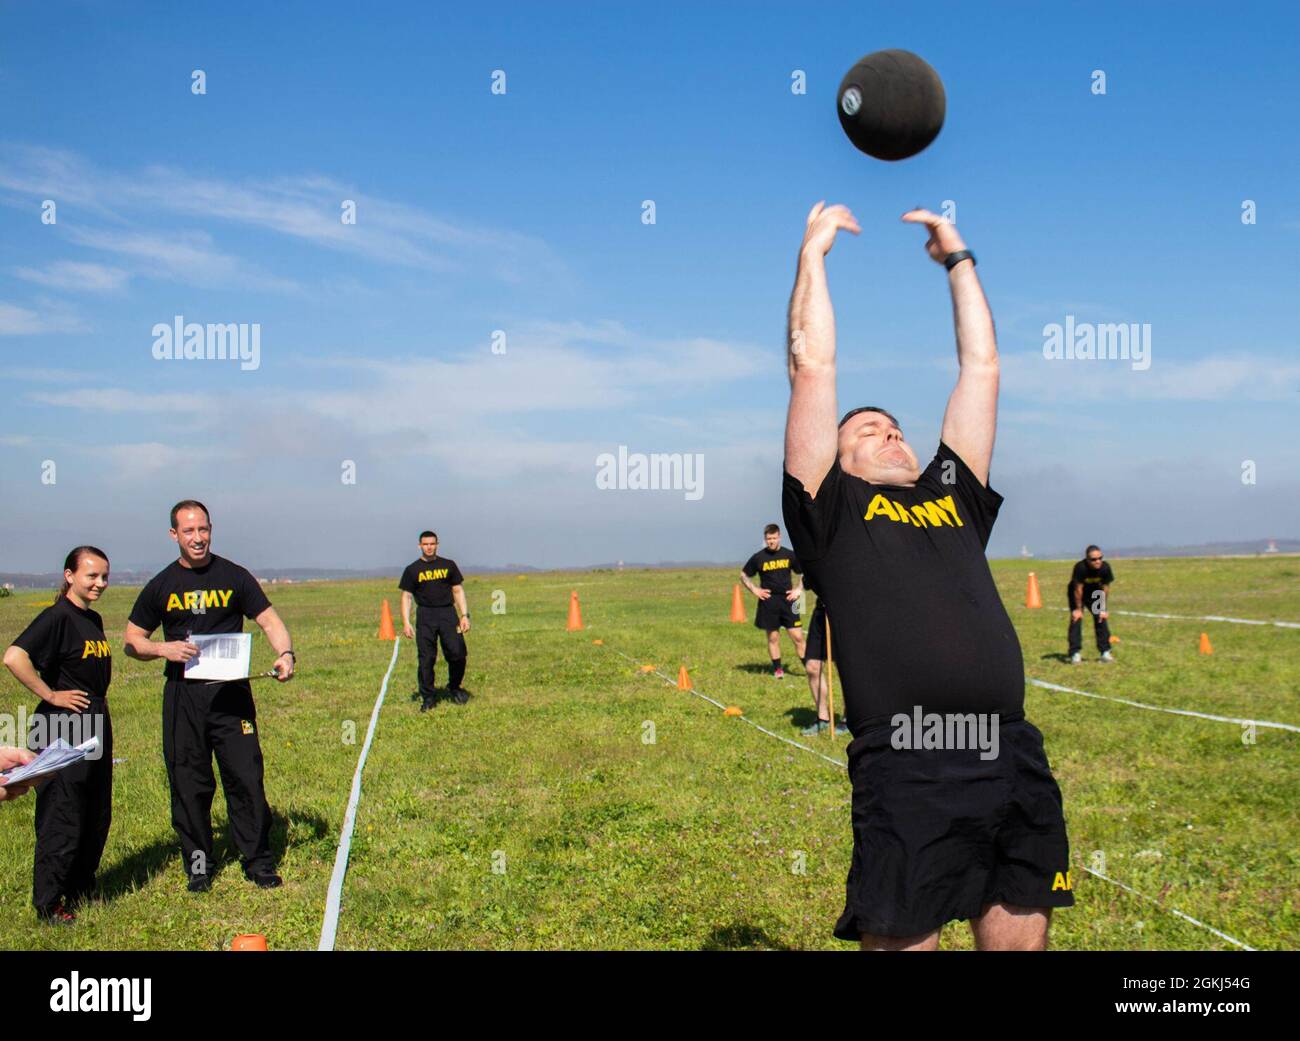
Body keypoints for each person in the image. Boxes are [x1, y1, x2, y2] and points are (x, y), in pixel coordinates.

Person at [781, 201, 1073, 950]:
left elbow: (983, 368)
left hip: (1009, 748)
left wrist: (959, 261)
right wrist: (812, 257)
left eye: (896, 427)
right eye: (866, 430)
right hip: (907, 757)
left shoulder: (952, 495)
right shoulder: (832, 509)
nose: (890, 433)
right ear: (836, 460)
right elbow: (813, 365)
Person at [124, 501, 294, 892]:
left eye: (203, 529)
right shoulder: (162, 585)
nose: (197, 538)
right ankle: (199, 865)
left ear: (211, 529)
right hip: (184, 697)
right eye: (188, 531)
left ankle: (258, 861)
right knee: (189, 783)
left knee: (246, 777)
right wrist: (163, 650)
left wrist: (285, 654)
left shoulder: (234, 576)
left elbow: (269, 620)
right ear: (174, 535)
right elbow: (132, 641)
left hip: (231, 695)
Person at [3, 546, 114, 923]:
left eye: (104, 576)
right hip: (61, 726)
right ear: (69, 576)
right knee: (62, 815)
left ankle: (82, 888)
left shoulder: (92, 619)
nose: (100, 583)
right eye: (91, 575)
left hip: (93, 723)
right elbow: (14, 657)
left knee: (96, 811)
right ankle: (49, 903)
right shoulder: (57, 617)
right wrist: (51, 695)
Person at [399, 531, 470, 711]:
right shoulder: (412, 570)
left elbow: (458, 590)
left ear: (437, 544)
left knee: (458, 653)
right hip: (425, 616)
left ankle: (454, 687)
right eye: (425, 544)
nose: (429, 547)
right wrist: (406, 623)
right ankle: (428, 697)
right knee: (426, 659)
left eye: (432, 544)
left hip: (448, 614)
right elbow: (406, 597)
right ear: (419, 546)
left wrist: (464, 615)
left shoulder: (448, 565)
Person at [740, 524, 806, 678]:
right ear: (765, 539)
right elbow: (743, 575)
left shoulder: (789, 555)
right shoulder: (759, 557)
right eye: (768, 539)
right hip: (768, 602)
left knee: (798, 636)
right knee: (773, 637)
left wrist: (799, 590)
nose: (771, 541)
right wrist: (755, 590)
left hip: (791, 601)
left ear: (779, 537)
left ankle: (809, 668)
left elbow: (804, 572)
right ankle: (778, 669)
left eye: (774, 538)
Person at [799, 595, 849, 736]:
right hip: (821, 612)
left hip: (845, 613)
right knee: (812, 667)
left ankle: (848, 718)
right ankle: (823, 718)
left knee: (846, 668)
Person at [1068, 546, 1115, 664]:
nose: (1097, 561)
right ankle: (1075, 653)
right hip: (1077, 593)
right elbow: (1078, 589)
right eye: (1094, 559)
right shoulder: (1080, 568)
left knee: (1100, 618)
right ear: (1087, 559)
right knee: (1076, 618)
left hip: (1096, 592)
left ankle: (1105, 652)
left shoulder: (1105, 568)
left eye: (1100, 558)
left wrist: (1102, 608)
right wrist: (1078, 609)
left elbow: (1105, 588)